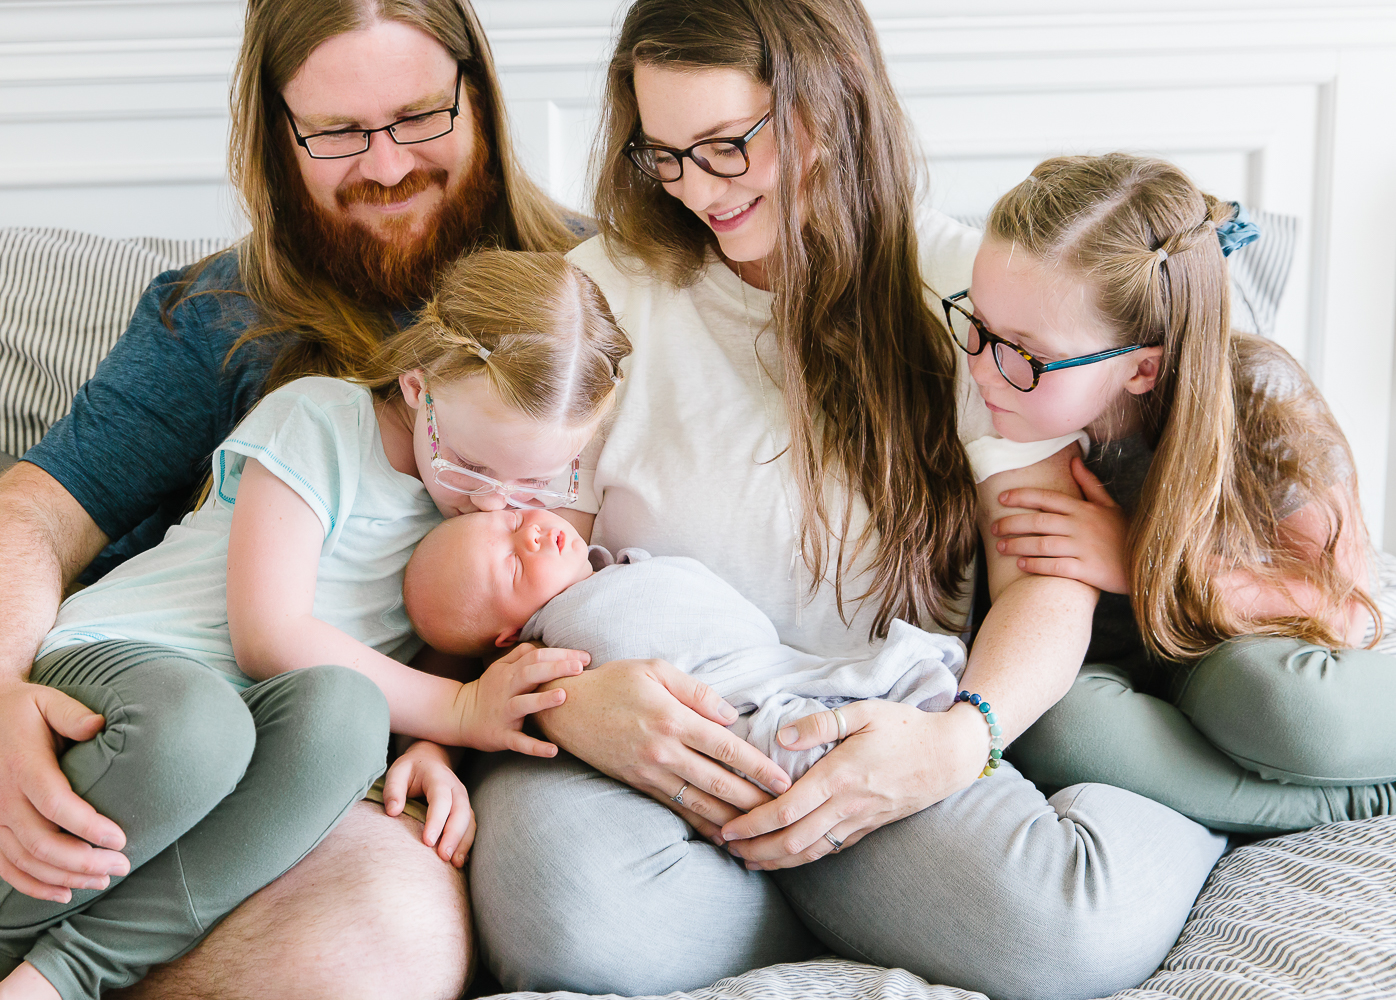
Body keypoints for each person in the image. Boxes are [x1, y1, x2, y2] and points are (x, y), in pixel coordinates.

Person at [465, 3, 1227, 999]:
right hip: (649, 747)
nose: (698, 188)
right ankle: (869, 904)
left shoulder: (969, 288)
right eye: (666, 155)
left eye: (729, 145)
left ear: (829, 102)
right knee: (558, 916)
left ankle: (841, 890)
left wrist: (960, 740)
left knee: (1068, 931)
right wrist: (572, 707)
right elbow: (517, 562)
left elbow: (1046, 572)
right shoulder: (595, 295)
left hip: (876, 738)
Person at [0, 1, 582, 996]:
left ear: (480, 94)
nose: (386, 165)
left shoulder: (600, 299)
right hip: (154, 712)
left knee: (377, 940)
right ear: (275, 129)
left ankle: (14, 942)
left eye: (421, 116)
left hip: (332, 751)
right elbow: (32, 509)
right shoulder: (225, 313)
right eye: (338, 132)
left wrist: (452, 728)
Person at [950, 153, 1396, 834]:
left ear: (1143, 368)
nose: (981, 365)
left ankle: (1351, 790)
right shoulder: (1007, 428)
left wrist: (1139, 562)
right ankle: (1337, 801)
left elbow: (1346, 615)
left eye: (1024, 352)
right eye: (976, 325)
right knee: (1057, 729)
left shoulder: (1260, 404)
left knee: (1277, 703)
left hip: (1232, 654)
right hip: (1130, 690)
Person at [402, 509, 966, 784]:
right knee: (791, 738)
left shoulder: (616, 565)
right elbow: (516, 701)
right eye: (511, 565)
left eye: (511, 517)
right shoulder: (549, 650)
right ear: (508, 637)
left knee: (886, 678)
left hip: (772, 661)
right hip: (731, 704)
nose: (528, 534)